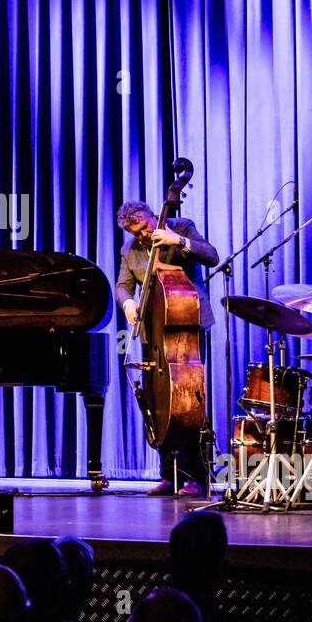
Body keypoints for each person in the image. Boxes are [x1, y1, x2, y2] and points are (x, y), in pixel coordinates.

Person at [115, 200, 219, 496]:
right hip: (154, 333)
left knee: (187, 403)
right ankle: (168, 473)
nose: (144, 236)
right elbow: (122, 285)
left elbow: (211, 256)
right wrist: (128, 302)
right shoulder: (129, 250)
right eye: (136, 233)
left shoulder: (181, 226)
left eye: (146, 228)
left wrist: (181, 242)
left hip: (187, 326)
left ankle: (196, 477)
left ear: (153, 217)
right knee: (157, 402)